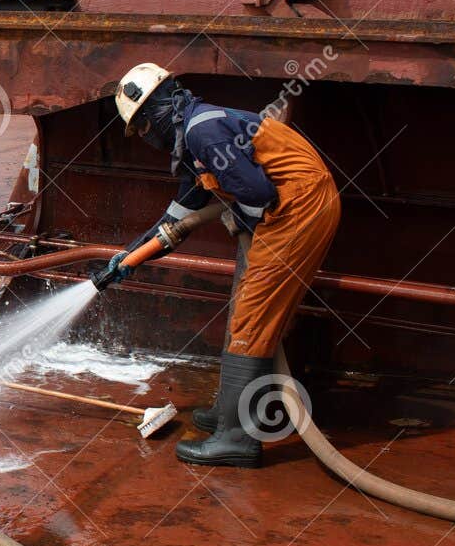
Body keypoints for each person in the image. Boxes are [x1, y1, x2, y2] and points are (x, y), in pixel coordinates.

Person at [104, 62, 341, 467]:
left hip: (297, 209)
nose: (145, 137)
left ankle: (237, 438)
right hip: (289, 208)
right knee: (246, 311)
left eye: (143, 126)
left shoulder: (201, 131)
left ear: (160, 108)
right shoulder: (196, 135)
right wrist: (128, 258)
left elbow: (258, 191)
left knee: (252, 318)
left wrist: (232, 211)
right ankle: (232, 410)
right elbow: (174, 220)